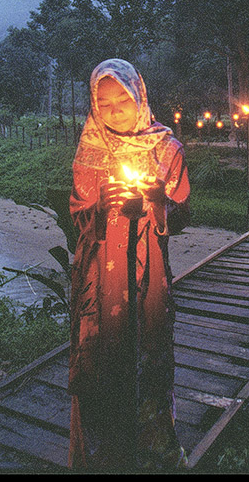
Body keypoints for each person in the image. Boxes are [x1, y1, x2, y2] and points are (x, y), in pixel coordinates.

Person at [67, 58, 190, 470]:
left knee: (147, 348)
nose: (116, 108)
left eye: (123, 97)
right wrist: (100, 207)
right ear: (94, 107)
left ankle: (152, 448)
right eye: (105, 103)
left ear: (139, 96)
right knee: (102, 353)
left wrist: (157, 201)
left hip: (148, 274)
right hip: (100, 274)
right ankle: (103, 455)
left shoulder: (167, 150)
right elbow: (78, 215)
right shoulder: (89, 150)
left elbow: (183, 215)